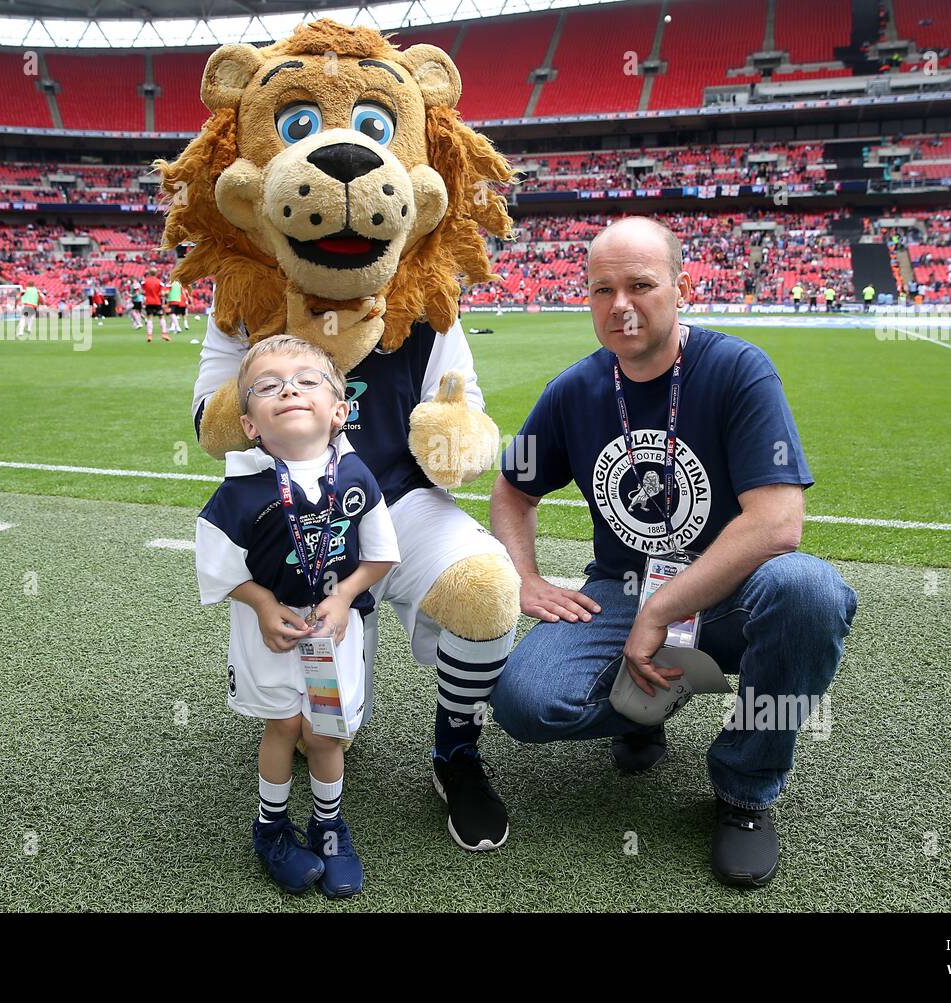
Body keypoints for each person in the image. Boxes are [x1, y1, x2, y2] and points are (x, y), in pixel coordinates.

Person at [488, 217, 857, 888]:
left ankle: (746, 789)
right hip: (622, 587)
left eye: (640, 285)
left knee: (808, 592)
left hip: (732, 590)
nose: (620, 306)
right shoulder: (574, 390)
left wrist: (663, 611)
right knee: (525, 701)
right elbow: (512, 490)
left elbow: (777, 523)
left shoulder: (738, 370)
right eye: (602, 289)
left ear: (681, 287)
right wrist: (525, 577)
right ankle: (648, 702)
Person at [195, 335, 399, 897]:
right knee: (283, 725)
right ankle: (271, 828)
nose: (288, 388)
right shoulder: (239, 492)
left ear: (339, 412)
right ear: (251, 424)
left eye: (307, 380)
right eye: (268, 385)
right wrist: (261, 604)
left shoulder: (357, 478)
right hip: (271, 632)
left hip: (334, 630)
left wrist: (345, 594)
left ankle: (330, 827)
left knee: (326, 731)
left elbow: (381, 553)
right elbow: (218, 565)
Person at [141, 268, 168, 342]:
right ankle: (164, 334)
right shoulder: (159, 282)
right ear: (156, 274)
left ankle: (149, 335)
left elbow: (142, 291)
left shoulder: (145, 282)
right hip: (157, 302)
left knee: (149, 318)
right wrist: (166, 293)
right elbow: (162, 293)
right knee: (161, 317)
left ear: (149, 273)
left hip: (148, 302)